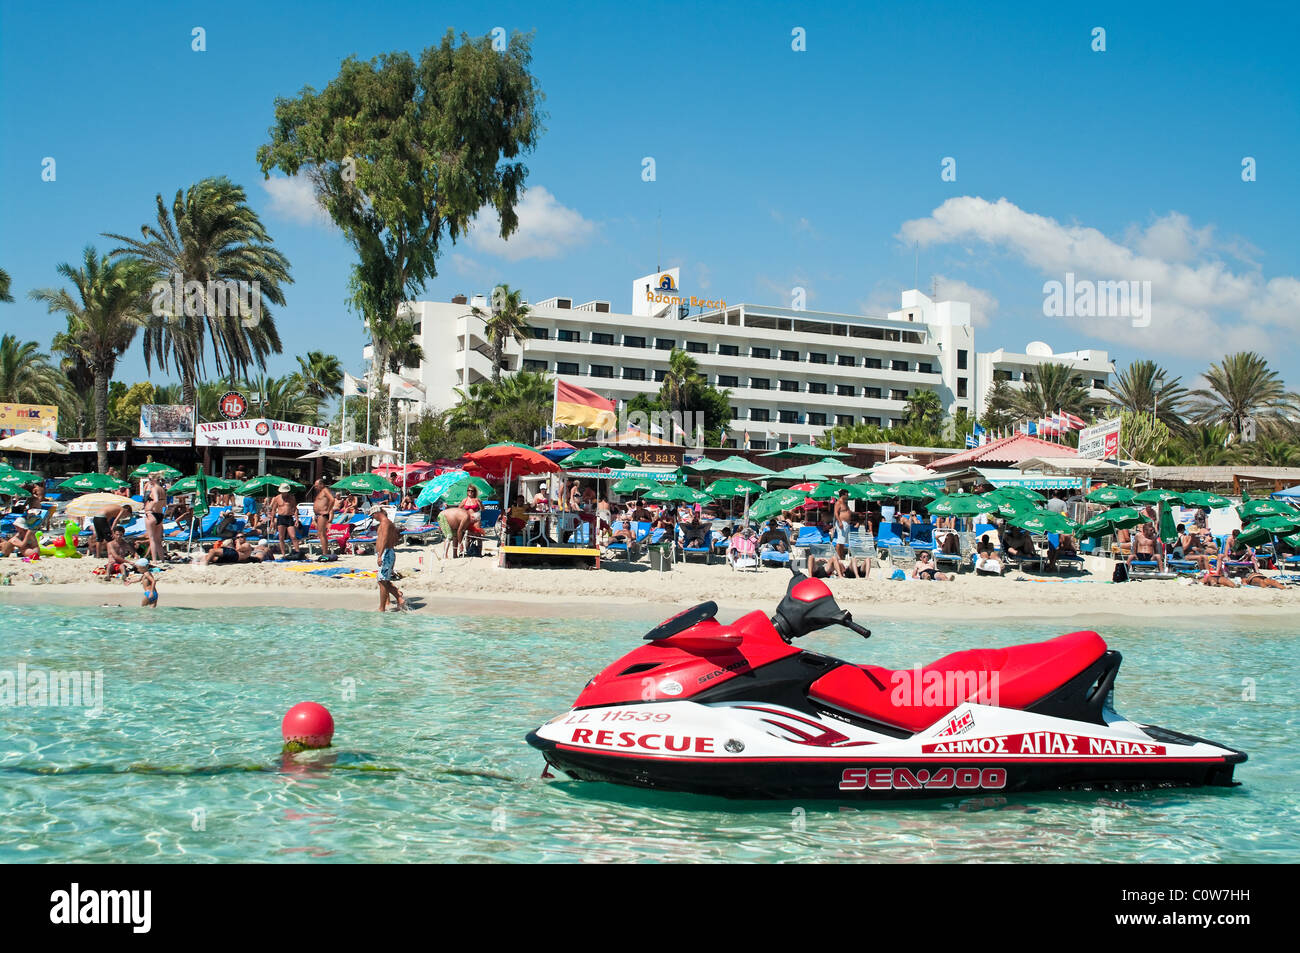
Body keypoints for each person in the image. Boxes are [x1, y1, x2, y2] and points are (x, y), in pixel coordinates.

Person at [374, 507, 407, 612]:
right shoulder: (386, 523)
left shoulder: (385, 523)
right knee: (382, 580)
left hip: (386, 553)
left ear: (377, 513)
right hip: (386, 553)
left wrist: (380, 555)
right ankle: (397, 596)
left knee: (383, 580)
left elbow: (385, 538)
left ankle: (383, 607)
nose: (373, 518)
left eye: (373, 515)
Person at [272, 483, 302, 558]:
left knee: (293, 536)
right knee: (281, 537)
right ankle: (283, 554)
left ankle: (297, 551)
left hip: (289, 517)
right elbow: (273, 510)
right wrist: (272, 521)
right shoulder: (277, 498)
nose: (284, 493)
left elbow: (295, 509)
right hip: (281, 517)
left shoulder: (291, 498)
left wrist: (297, 520)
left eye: (285, 491)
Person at [144, 472, 167, 563]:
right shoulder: (162, 489)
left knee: (152, 539)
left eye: (150, 479)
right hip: (160, 515)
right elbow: (164, 503)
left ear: (155, 479)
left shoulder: (154, 489)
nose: (149, 481)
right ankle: (162, 559)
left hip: (151, 514)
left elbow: (156, 500)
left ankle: (154, 560)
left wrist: (149, 506)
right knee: (158, 540)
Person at [311, 478, 336, 560]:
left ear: (322, 485)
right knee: (320, 534)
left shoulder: (325, 490)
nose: (315, 487)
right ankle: (324, 552)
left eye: (317, 485)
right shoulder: (320, 492)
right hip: (318, 514)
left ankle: (325, 553)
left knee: (322, 534)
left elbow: (332, 499)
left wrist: (328, 511)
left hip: (323, 514)